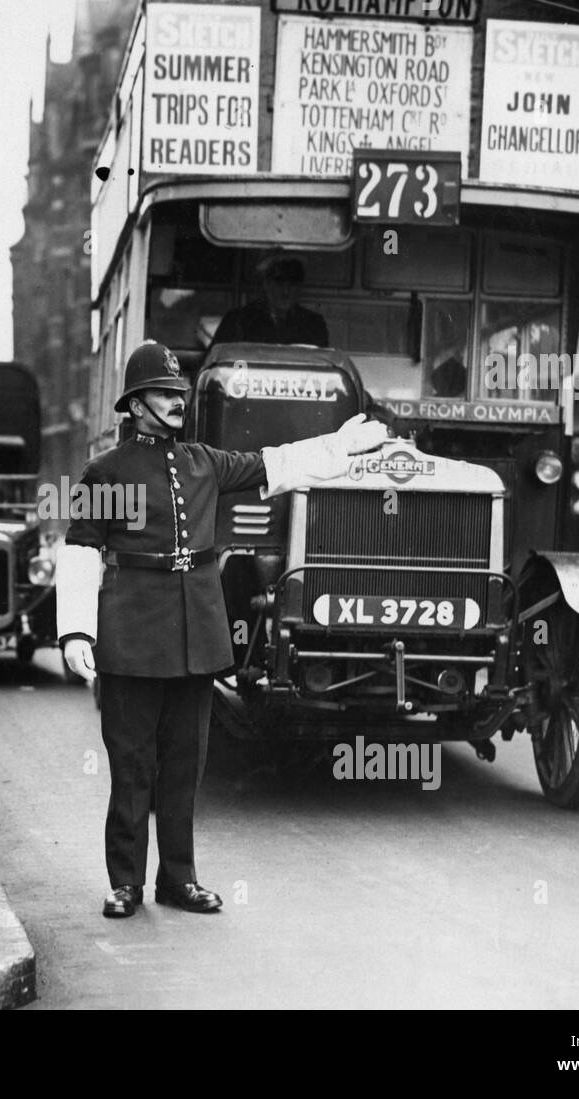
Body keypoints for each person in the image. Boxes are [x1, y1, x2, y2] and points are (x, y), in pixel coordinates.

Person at [56, 341, 388, 918]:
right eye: (164, 394)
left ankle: (177, 879)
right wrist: (76, 632)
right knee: (132, 766)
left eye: (180, 393)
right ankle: (125, 883)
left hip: (196, 637)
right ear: (136, 405)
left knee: (186, 765)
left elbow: (275, 464)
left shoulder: (203, 461)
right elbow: (82, 551)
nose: (177, 402)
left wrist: (342, 447)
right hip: (132, 637)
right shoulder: (105, 473)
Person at [211, 250, 329, 348]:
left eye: (293, 282)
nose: (286, 290)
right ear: (265, 283)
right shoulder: (237, 321)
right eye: (279, 281)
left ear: (301, 285)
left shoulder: (314, 324)